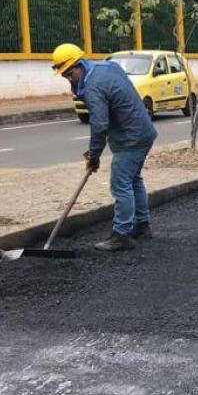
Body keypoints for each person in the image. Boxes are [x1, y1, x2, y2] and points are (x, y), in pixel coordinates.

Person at [53, 43, 158, 252]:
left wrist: (94, 155)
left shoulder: (92, 85)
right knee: (133, 179)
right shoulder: (108, 67)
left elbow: (99, 124)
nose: (69, 80)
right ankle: (142, 225)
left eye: (69, 74)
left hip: (131, 138)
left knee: (120, 184)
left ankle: (122, 234)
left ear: (79, 65)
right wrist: (95, 152)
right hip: (143, 131)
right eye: (65, 76)